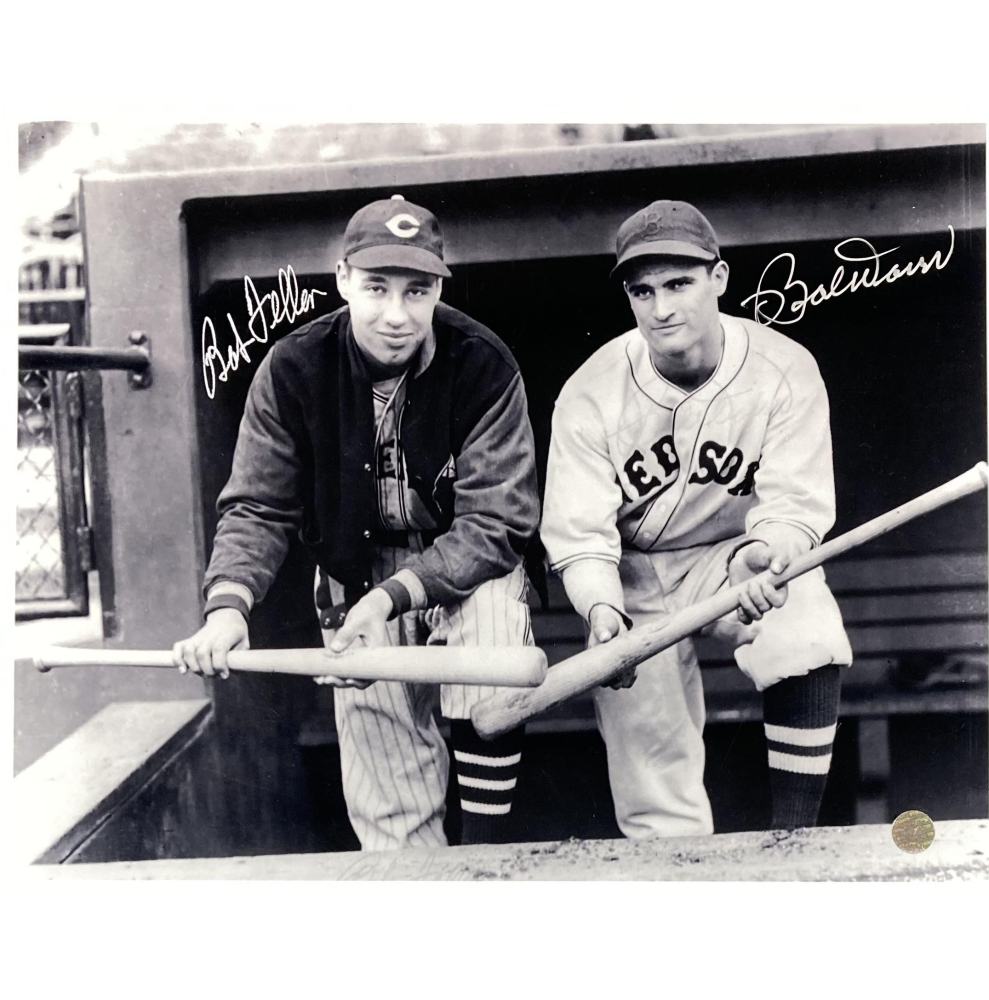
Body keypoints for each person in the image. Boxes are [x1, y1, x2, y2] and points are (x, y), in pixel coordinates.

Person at [174, 195, 539, 851]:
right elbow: (259, 503)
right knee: (389, 804)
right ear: (342, 279)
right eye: (376, 288)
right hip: (354, 568)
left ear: (437, 288)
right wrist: (228, 607)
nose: (396, 314)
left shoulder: (481, 360)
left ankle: (489, 862)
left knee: (491, 644)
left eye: (417, 290)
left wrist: (394, 597)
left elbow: (498, 521)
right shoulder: (294, 365)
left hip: (460, 564)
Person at [540, 200, 853, 839]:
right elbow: (579, 534)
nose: (662, 308)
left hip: (730, 556)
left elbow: (796, 502)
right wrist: (601, 612)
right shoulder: (590, 391)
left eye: (679, 283)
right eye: (643, 290)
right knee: (655, 788)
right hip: (629, 577)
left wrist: (768, 551)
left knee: (806, 618)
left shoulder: (784, 367)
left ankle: (793, 846)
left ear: (719, 277)